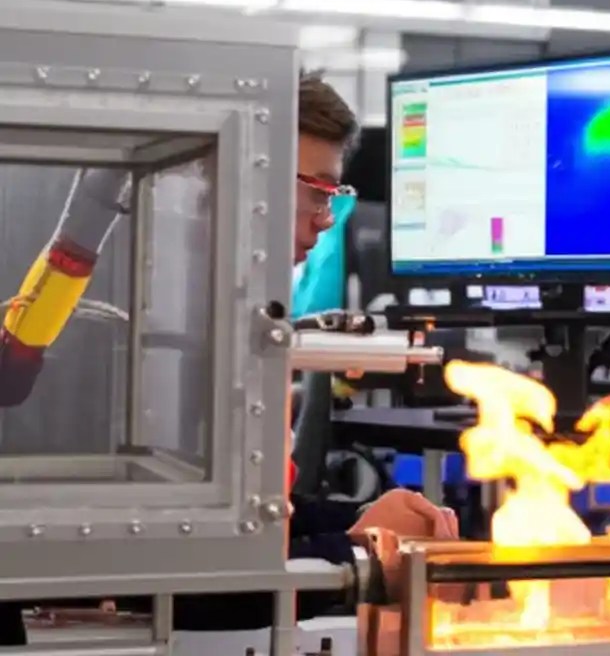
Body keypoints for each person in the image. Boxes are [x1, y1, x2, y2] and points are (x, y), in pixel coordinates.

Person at [0, 74, 456, 643]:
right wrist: (355, 554)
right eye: (318, 192)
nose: (325, 218)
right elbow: (164, 567)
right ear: (244, 175)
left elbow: (249, 515)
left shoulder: (211, 313)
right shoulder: (124, 335)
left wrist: (364, 522)